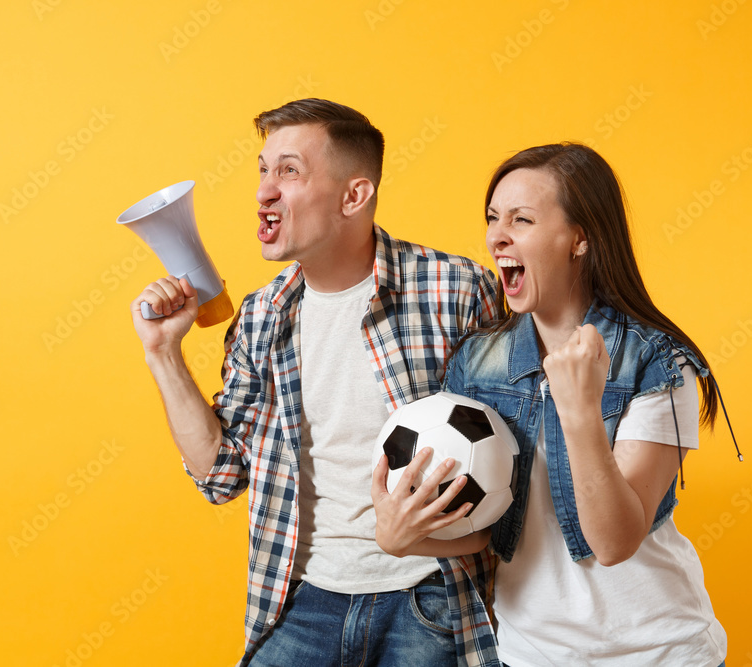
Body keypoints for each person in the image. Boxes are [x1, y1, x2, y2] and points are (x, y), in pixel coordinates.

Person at [131, 98, 502, 666]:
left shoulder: (456, 289)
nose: (263, 191)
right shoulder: (260, 318)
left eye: (289, 170)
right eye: (262, 169)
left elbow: (519, 450)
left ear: (354, 196)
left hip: (431, 598)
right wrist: (163, 355)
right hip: (304, 600)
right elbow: (223, 476)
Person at [377, 142, 729, 665]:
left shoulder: (655, 360)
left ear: (579, 239)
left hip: (661, 652)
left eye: (522, 220)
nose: (498, 236)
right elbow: (483, 529)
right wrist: (403, 538)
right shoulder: (477, 362)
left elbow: (615, 542)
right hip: (532, 653)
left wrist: (581, 409)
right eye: (494, 218)